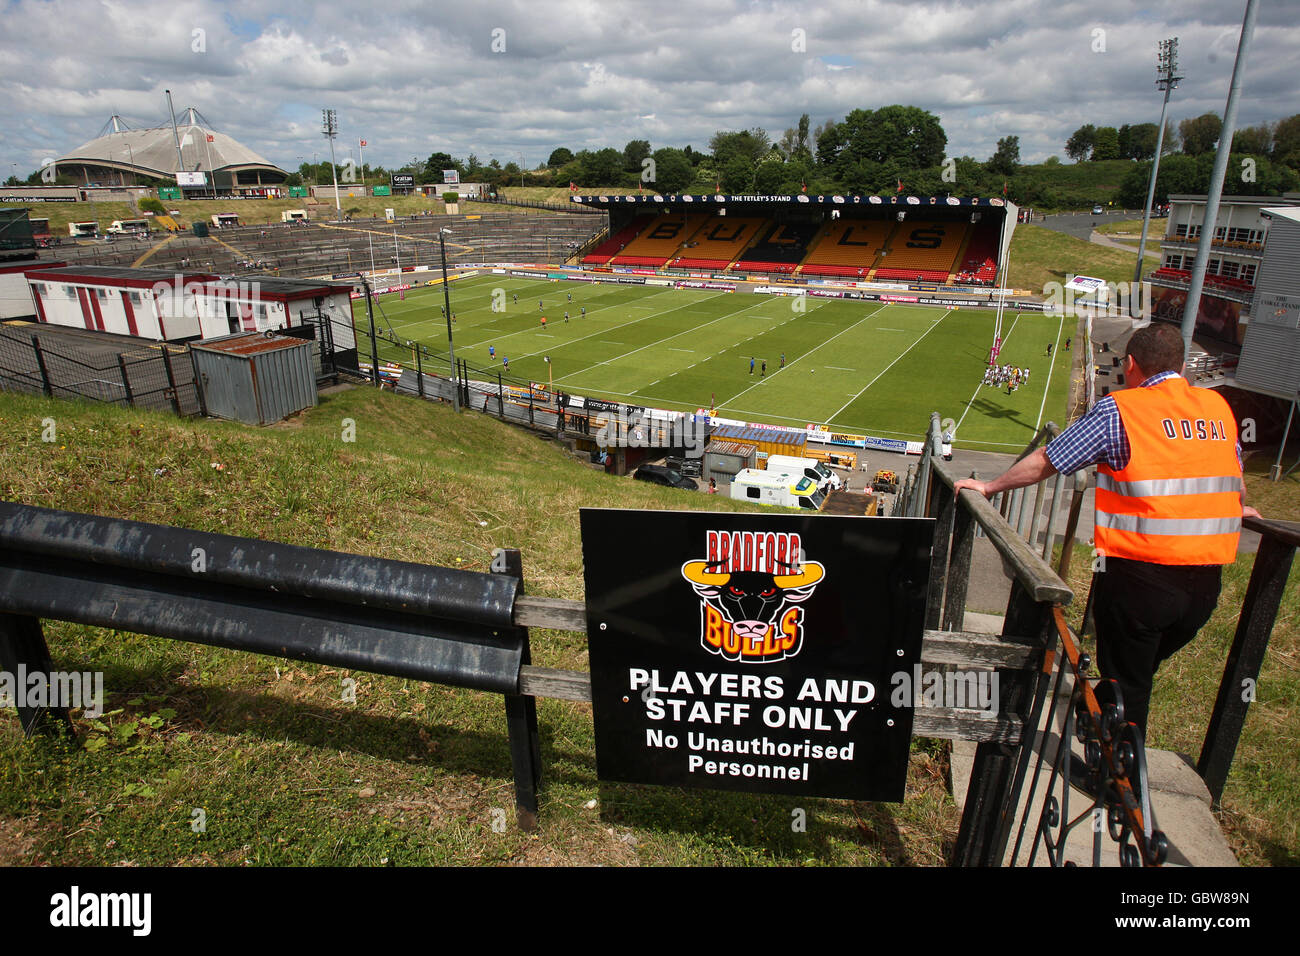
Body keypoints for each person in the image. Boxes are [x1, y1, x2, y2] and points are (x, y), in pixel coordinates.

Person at [953, 323, 1258, 740]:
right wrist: (1240, 509)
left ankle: (1120, 787)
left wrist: (989, 486)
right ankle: (1100, 714)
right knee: (1136, 668)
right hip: (1206, 583)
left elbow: (1050, 458)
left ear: (1131, 365)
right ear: (1183, 366)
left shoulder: (1123, 409)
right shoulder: (1217, 406)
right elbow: (1233, 478)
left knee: (1129, 685)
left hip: (1140, 576)